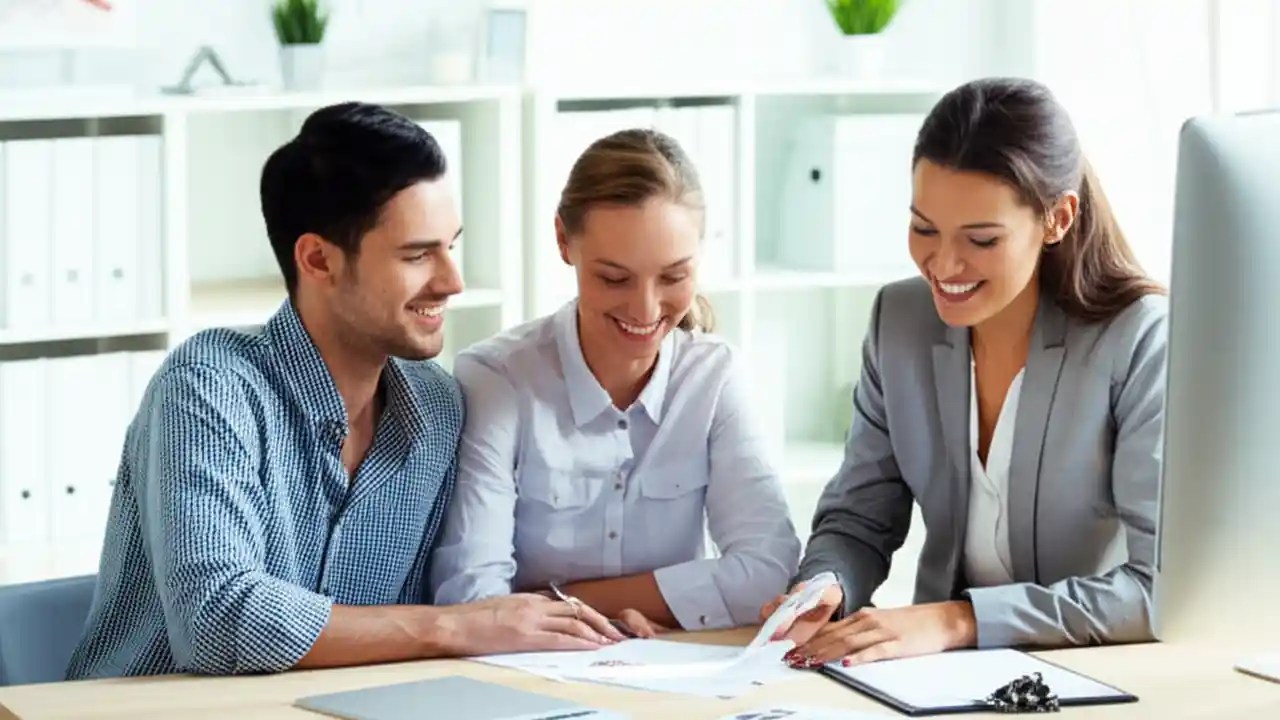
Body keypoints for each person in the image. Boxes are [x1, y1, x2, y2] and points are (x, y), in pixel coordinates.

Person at [66, 102, 624, 680]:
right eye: (417, 254)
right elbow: (218, 622)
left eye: (450, 246)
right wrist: (454, 628)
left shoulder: (436, 408)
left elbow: (464, 594)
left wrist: (591, 615)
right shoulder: (208, 390)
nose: (452, 281)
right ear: (318, 260)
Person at [764, 77, 1168, 668]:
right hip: (937, 678)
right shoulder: (898, 321)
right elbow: (858, 518)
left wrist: (961, 619)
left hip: (1094, 671)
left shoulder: (1137, 338)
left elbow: (1161, 588)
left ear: (1057, 219)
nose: (943, 265)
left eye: (980, 239)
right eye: (923, 228)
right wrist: (828, 585)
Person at [430, 128, 801, 635]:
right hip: (524, 678)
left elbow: (767, 574)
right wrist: (656, 602)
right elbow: (472, 597)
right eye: (614, 278)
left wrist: (568, 605)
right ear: (564, 241)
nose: (646, 310)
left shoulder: (714, 378)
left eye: (673, 277)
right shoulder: (497, 379)